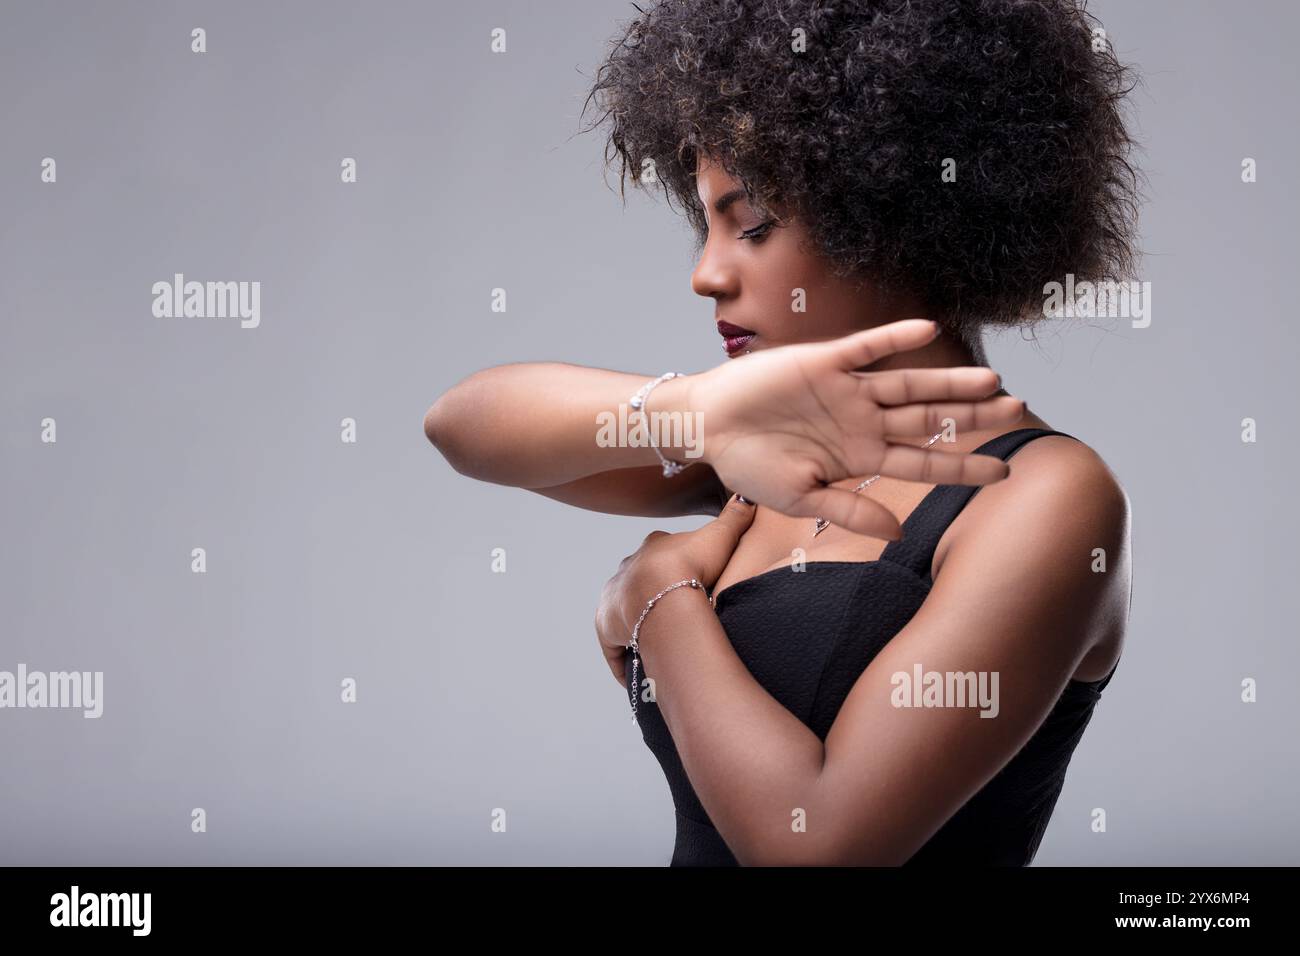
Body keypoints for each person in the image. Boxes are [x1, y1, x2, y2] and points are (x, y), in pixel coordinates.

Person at [425, 0, 1137, 865]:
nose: (705, 272)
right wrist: (705, 411)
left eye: (752, 222)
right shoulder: (759, 455)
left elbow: (816, 842)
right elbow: (463, 425)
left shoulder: (1045, 498)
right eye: (705, 223)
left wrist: (658, 600)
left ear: (887, 210)